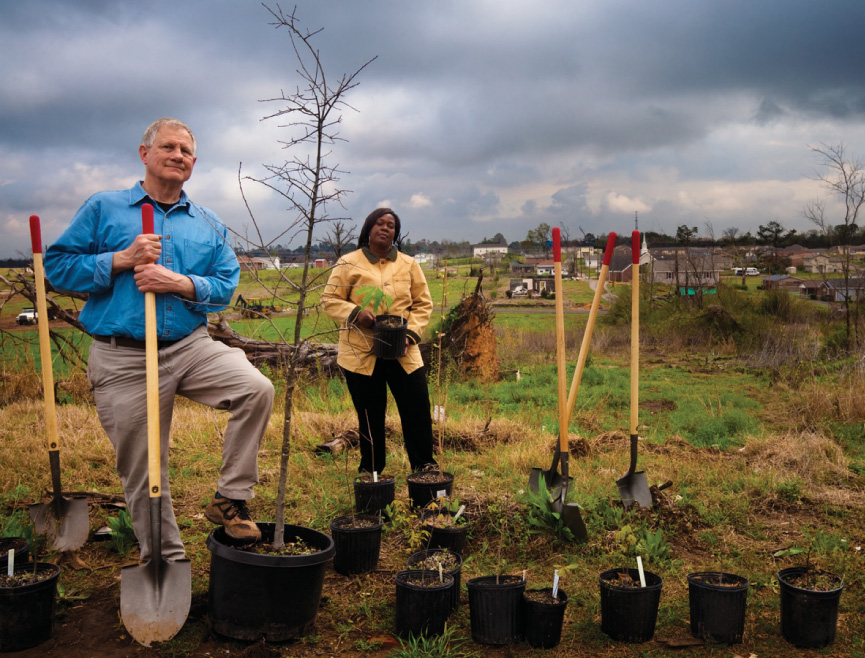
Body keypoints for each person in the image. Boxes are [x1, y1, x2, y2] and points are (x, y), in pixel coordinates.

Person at [44, 118, 274, 561]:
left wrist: (180, 283)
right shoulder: (104, 208)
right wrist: (121, 259)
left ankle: (230, 496)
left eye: (187, 151)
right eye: (168, 147)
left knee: (255, 388)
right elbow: (56, 268)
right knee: (146, 468)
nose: (178, 156)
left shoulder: (207, 222)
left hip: (190, 346)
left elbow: (225, 284)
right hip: (123, 356)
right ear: (144, 153)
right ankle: (165, 560)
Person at [322, 208, 437, 474]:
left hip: (404, 351)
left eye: (391, 225)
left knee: (417, 410)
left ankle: (425, 467)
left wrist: (410, 335)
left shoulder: (409, 264)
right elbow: (329, 300)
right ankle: (372, 472)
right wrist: (355, 313)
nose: (385, 228)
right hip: (362, 352)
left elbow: (423, 304)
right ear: (369, 228)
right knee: (370, 415)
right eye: (380, 223)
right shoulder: (348, 263)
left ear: (395, 233)